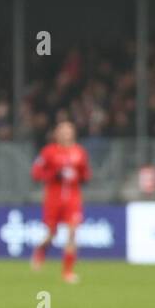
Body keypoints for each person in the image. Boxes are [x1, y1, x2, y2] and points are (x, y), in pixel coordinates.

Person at [31, 119, 91, 283]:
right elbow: (36, 173)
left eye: (68, 131)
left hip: (72, 197)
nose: (66, 134)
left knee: (72, 233)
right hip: (53, 198)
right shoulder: (48, 152)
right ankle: (40, 251)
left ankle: (67, 272)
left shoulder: (79, 152)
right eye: (62, 131)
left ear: (73, 133)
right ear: (56, 134)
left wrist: (79, 176)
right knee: (52, 234)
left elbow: (86, 174)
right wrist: (53, 175)